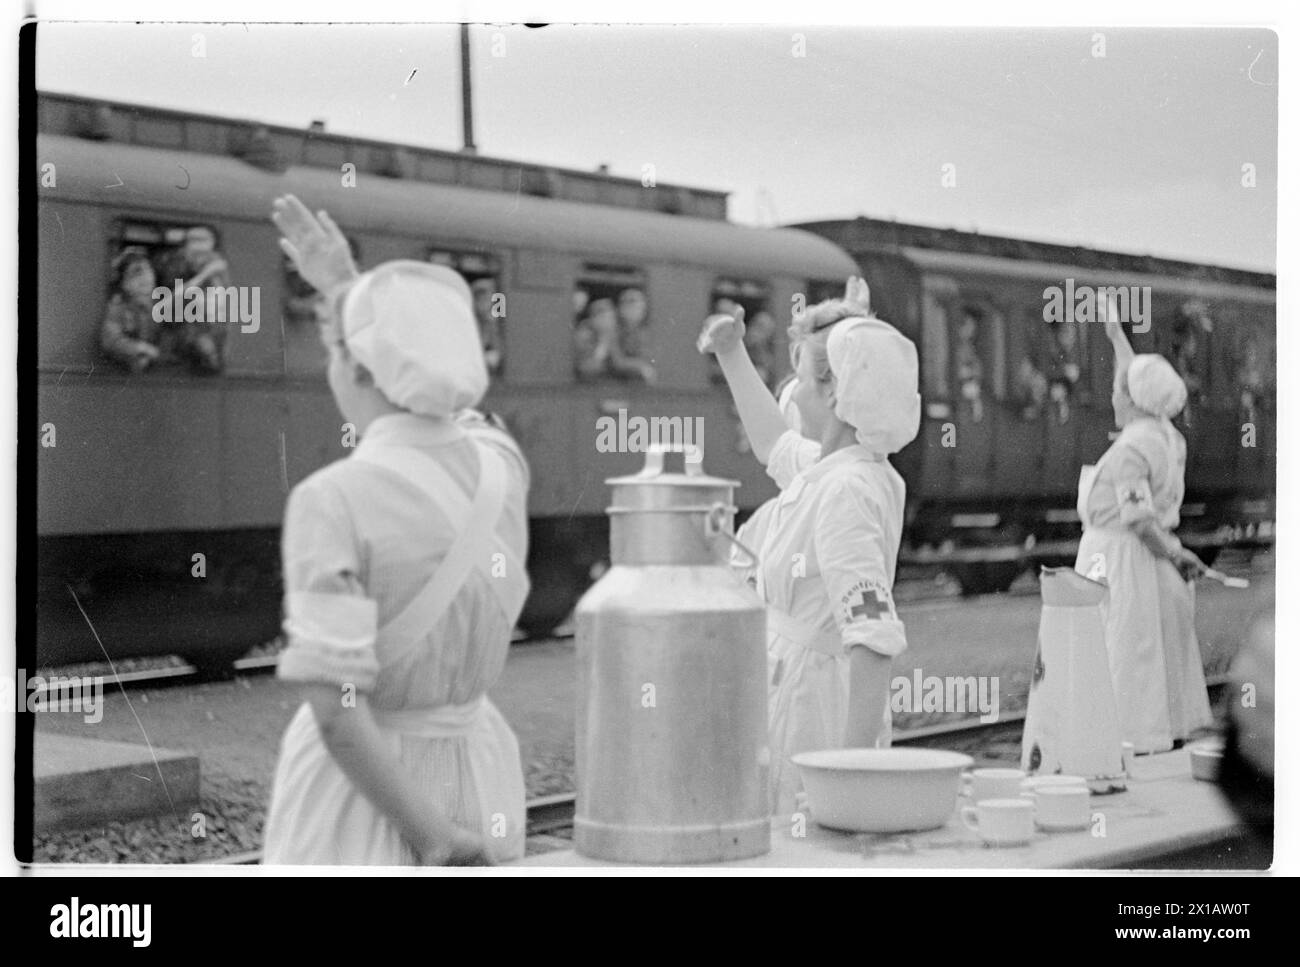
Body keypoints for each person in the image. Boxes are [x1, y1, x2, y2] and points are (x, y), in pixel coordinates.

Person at [262, 195, 530, 865]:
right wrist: (351, 292)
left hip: (370, 794)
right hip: (479, 767)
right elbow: (447, 396)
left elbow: (335, 707)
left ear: (353, 366)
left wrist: (431, 835)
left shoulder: (331, 499)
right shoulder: (503, 469)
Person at [699, 276, 919, 814]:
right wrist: (731, 353)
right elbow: (774, 443)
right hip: (799, 692)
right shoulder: (840, 468)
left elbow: (871, 637)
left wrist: (848, 774)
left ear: (833, 392)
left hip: (813, 710)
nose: (791, 390)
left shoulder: (844, 489)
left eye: (798, 377)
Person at [1074, 312, 1213, 754]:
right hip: (1145, 559)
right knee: (1156, 654)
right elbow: (1133, 373)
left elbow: (1137, 519)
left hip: (1123, 558)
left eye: (1119, 389)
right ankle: (1157, 735)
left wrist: (1174, 552)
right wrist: (1116, 334)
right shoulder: (1166, 436)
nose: (1113, 393)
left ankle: (1126, 739)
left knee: (1128, 652)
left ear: (1133, 399)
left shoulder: (1133, 448)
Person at [99, 247, 162, 372]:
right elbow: (111, 340)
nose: (144, 279)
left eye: (147, 272)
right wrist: (141, 348)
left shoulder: (162, 304)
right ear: (124, 283)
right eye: (135, 274)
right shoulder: (118, 307)